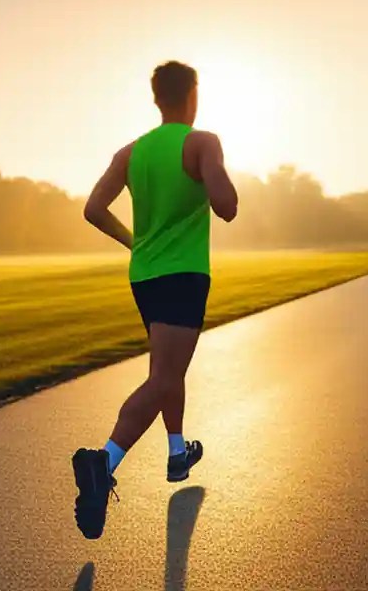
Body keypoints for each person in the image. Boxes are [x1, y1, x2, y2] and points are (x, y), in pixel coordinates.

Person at [71, 60, 238, 540]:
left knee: (167, 371)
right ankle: (104, 462)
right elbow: (227, 207)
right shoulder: (202, 142)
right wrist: (212, 172)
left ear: (156, 98)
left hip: (144, 277)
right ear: (193, 95)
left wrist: (134, 241)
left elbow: (93, 209)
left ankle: (177, 451)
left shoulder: (131, 153)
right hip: (184, 275)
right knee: (165, 377)